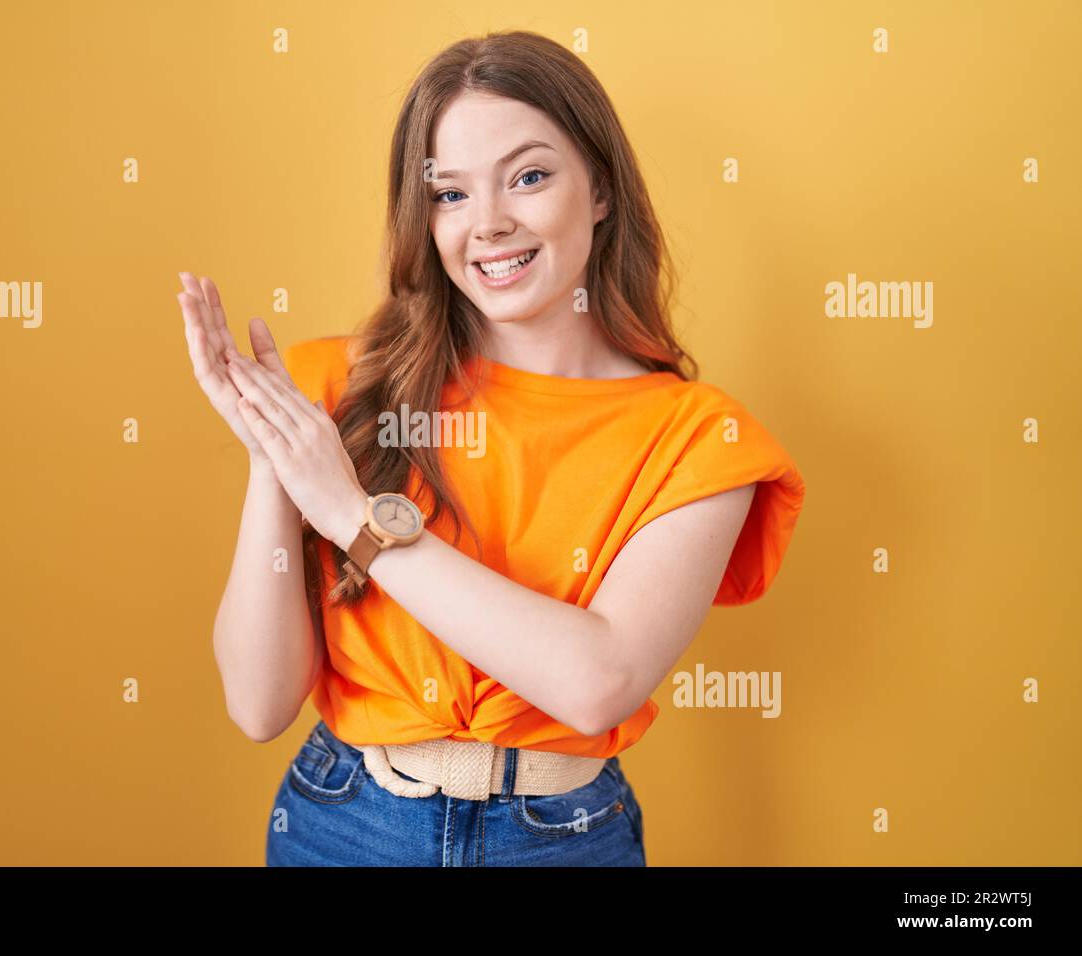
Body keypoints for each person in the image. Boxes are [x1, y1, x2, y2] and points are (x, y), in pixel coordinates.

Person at [176, 30, 806, 866]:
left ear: (603, 191)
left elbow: (598, 682)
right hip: (342, 823)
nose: (490, 225)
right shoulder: (331, 389)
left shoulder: (700, 439)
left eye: (530, 176)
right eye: (450, 195)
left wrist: (348, 513)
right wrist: (274, 458)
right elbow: (258, 706)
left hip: (560, 841)